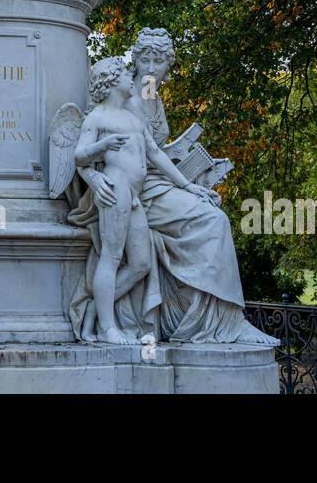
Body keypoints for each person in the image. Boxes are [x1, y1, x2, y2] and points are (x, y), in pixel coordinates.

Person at [69, 28, 276, 345]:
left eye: (159, 61)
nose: (151, 69)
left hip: (155, 184)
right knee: (214, 222)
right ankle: (224, 323)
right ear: (134, 62)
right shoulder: (118, 103)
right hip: (138, 191)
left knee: (210, 216)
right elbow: (88, 155)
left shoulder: (151, 100)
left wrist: (190, 183)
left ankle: (225, 320)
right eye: (145, 60)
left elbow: (152, 151)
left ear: (169, 68)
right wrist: (95, 179)